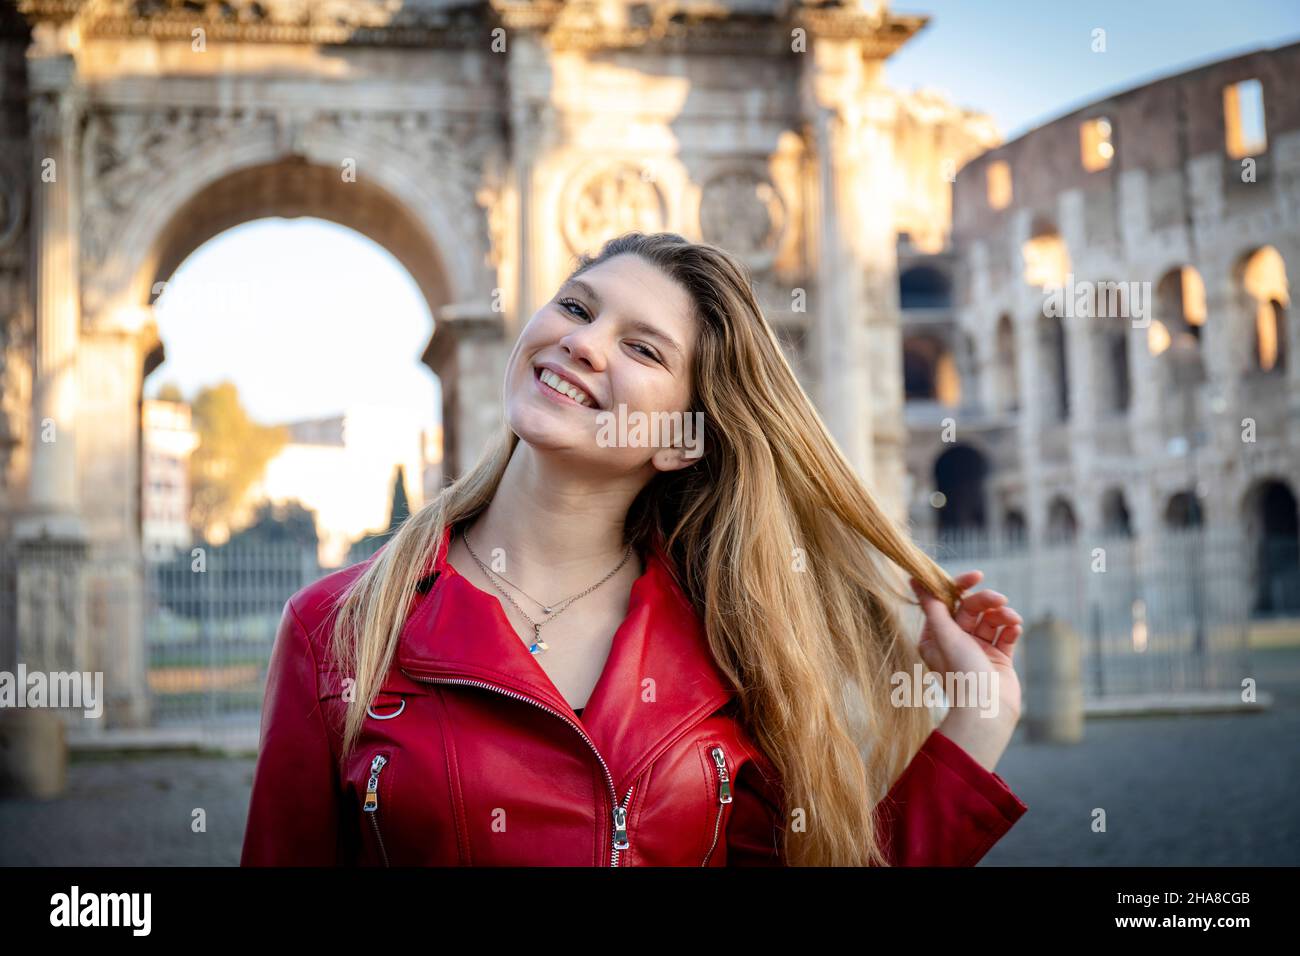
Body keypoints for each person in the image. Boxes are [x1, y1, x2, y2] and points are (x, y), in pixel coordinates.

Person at [240, 231, 1028, 867]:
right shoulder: (339, 626)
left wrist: (978, 724)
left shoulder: (734, 641)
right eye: (576, 307)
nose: (582, 344)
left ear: (684, 442)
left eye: (644, 350)